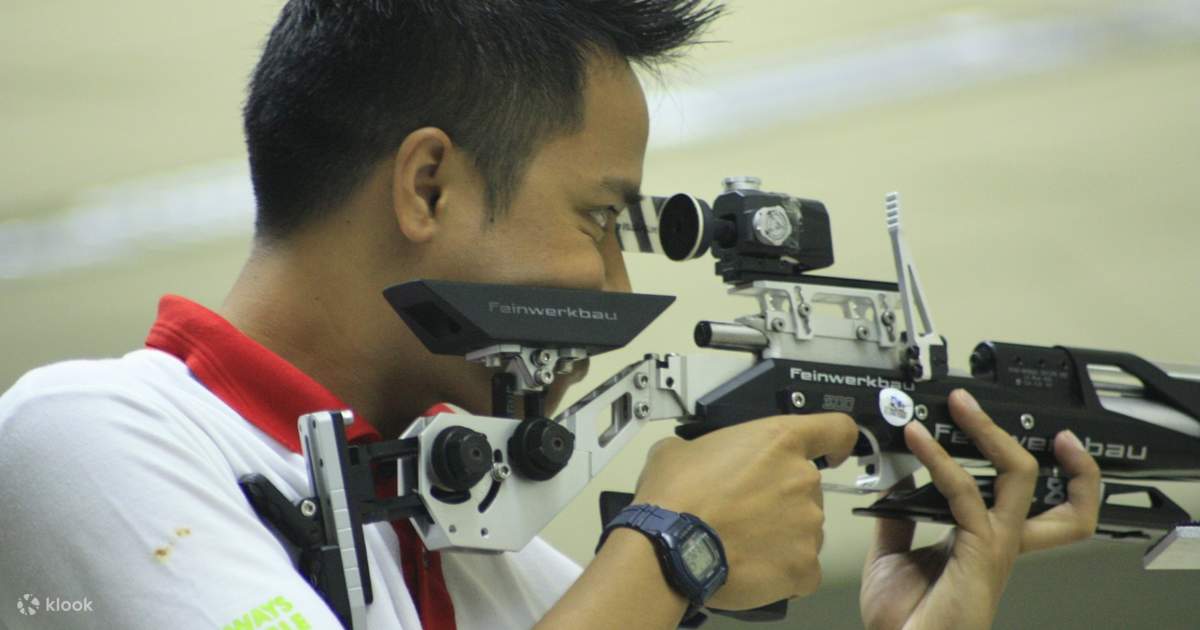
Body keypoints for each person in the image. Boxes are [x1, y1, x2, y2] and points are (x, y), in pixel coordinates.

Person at [0, 2, 1102, 629]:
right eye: (602, 219)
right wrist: (672, 548)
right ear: (428, 186)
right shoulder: (90, 435)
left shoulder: (488, 557)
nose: (616, 288)